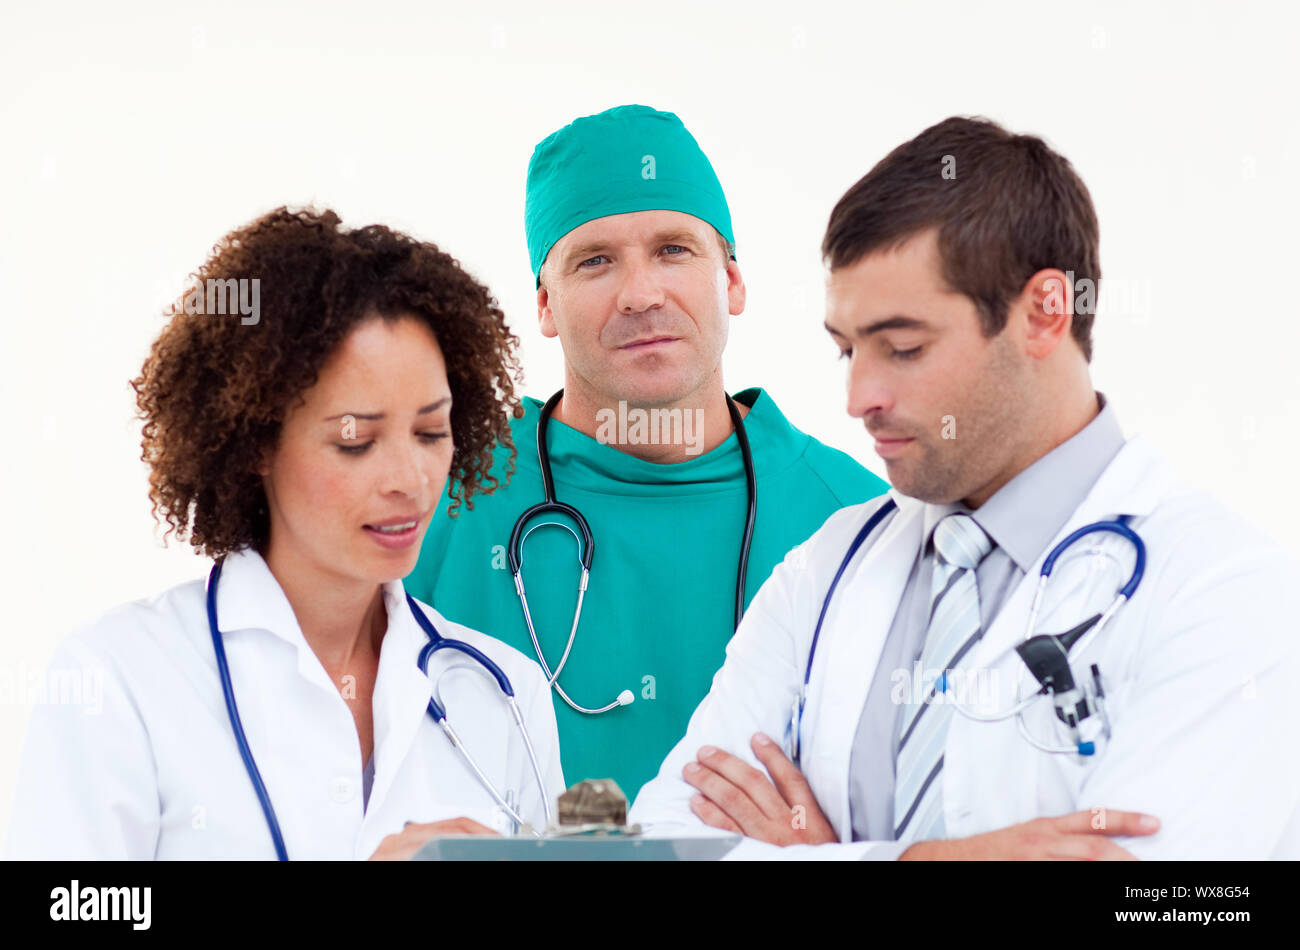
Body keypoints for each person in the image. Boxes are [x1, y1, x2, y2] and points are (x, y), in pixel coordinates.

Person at [628, 116, 1300, 859]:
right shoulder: (825, 569)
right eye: (847, 350)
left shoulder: (1227, 589)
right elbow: (664, 845)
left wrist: (815, 856)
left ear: (1046, 313)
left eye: (904, 347)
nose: (859, 397)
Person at [5, 208, 563, 860]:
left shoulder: (503, 694)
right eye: (356, 440)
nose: (410, 479)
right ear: (255, 445)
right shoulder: (120, 678)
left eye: (431, 432)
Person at [405, 104, 888, 799]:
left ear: (734, 281)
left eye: (674, 250)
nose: (641, 294)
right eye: (594, 261)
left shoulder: (859, 520)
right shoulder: (439, 494)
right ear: (545, 304)